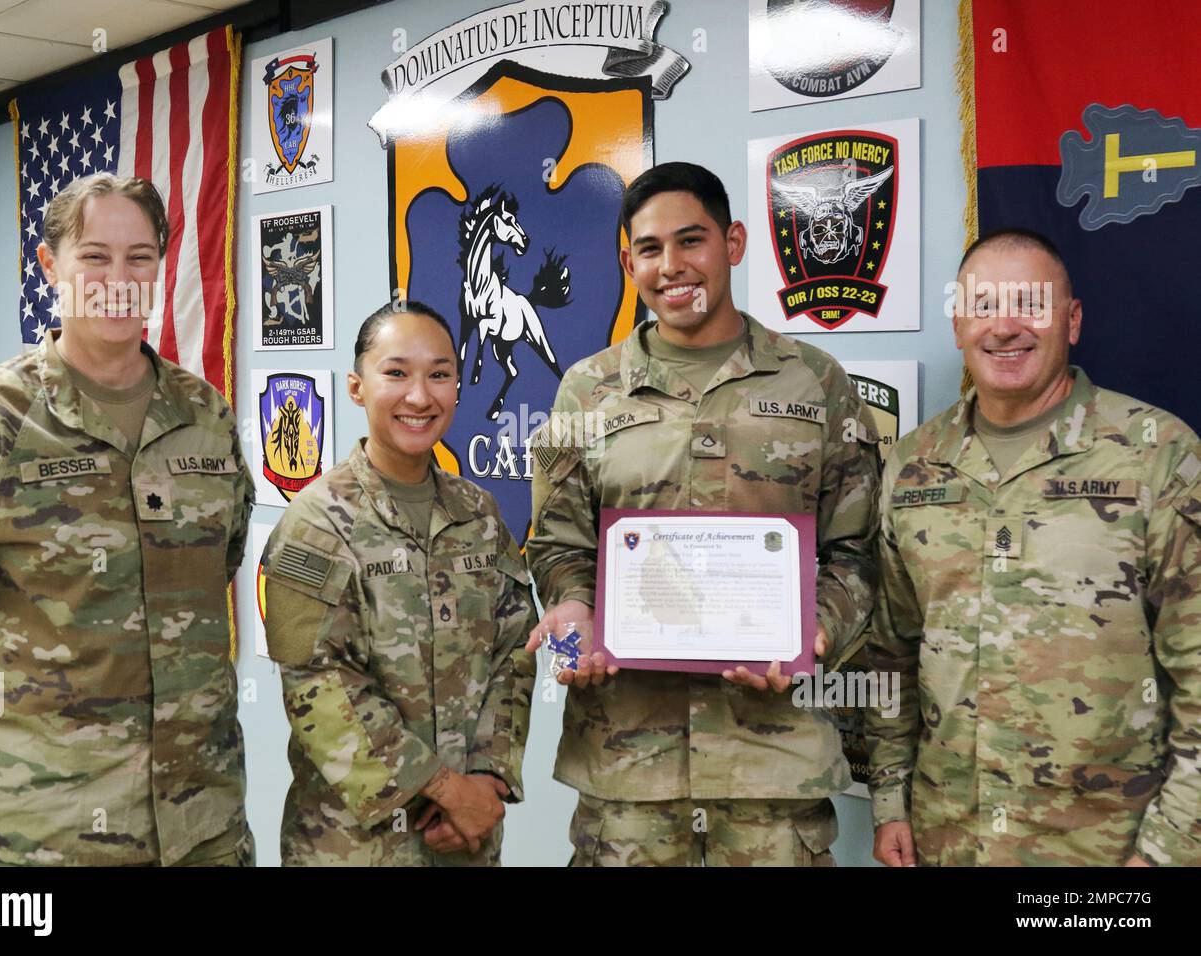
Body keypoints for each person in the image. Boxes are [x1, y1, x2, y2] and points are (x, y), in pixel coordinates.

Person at [525, 162, 882, 866]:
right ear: (628, 261)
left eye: (692, 241)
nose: (672, 267)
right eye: (650, 249)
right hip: (628, 774)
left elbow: (857, 552)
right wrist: (572, 632)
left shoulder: (816, 382)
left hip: (771, 774)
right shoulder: (586, 392)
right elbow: (555, 545)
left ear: (735, 242)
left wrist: (814, 638)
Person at [0, 172, 254, 866]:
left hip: (201, 822)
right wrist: (14, 724)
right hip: (46, 829)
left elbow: (224, 559)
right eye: (94, 255)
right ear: (50, 266)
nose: (116, 278)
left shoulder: (205, 416)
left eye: (139, 257)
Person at [868, 228, 1201, 867]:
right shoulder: (914, 464)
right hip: (949, 837)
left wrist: (1169, 852)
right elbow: (891, 649)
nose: (1004, 327)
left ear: (1071, 321)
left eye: (1031, 303)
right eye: (984, 305)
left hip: (1102, 850)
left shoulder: (1158, 454)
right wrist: (889, 801)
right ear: (959, 324)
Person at [262, 302, 536, 866]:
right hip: (354, 848)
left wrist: (486, 781)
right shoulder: (315, 523)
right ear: (357, 388)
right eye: (396, 373)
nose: (419, 396)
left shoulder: (478, 513)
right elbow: (319, 683)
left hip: (466, 842)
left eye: (439, 375)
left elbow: (516, 650)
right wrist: (446, 790)